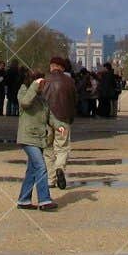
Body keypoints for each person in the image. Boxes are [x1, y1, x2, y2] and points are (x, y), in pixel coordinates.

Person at [14, 69, 56, 211]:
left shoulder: (41, 97)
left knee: (32, 170)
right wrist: (33, 86)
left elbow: (49, 116)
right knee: (41, 167)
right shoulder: (24, 91)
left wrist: (59, 126)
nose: (43, 85)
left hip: (39, 137)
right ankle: (44, 200)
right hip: (27, 137)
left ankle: (24, 200)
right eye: (41, 82)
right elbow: (25, 103)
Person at [38, 55, 77, 191]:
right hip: (62, 119)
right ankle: (60, 167)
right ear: (62, 68)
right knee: (62, 146)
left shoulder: (44, 81)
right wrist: (71, 117)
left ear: (52, 66)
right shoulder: (69, 81)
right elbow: (74, 100)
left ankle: (51, 179)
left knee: (48, 149)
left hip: (47, 120)